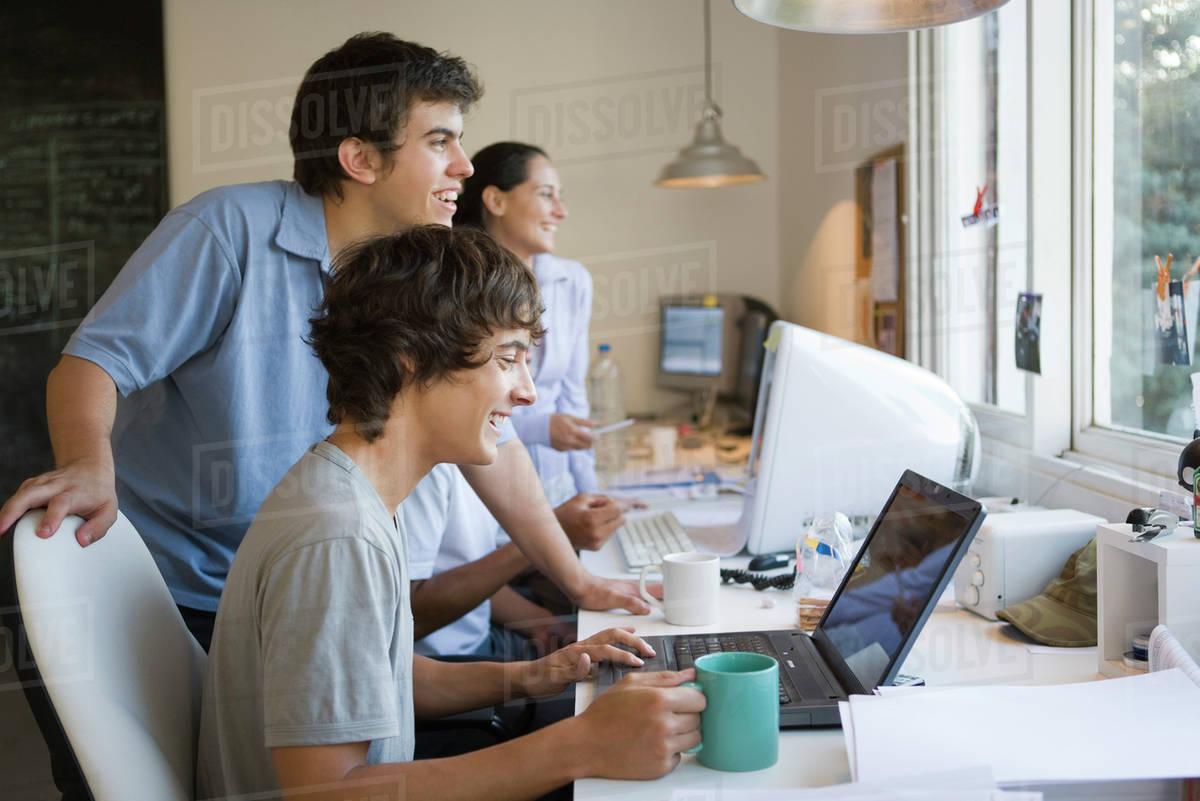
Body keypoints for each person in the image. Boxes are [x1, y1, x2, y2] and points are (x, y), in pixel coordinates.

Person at [0, 33, 648, 654]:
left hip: (290, 590)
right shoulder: (228, 229)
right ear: (360, 157)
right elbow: (93, 361)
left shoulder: (413, 269)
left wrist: (580, 582)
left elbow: (496, 449)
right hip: (171, 589)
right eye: (440, 140)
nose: (466, 167)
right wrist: (87, 464)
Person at [197, 226, 703, 801]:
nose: (528, 392)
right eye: (509, 359)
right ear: (409, 360)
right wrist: (580, 745)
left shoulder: (351, 491)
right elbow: (323, 794)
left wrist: (541, 674)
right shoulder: (337, 534)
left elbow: (387, 678)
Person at [407, 143, 633, 661]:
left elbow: (457, 571)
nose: (530, 394)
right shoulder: (431, 457)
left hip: (485, 624)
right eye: (509, 360)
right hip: (456, 659)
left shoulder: (478, 447)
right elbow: (413, 620)